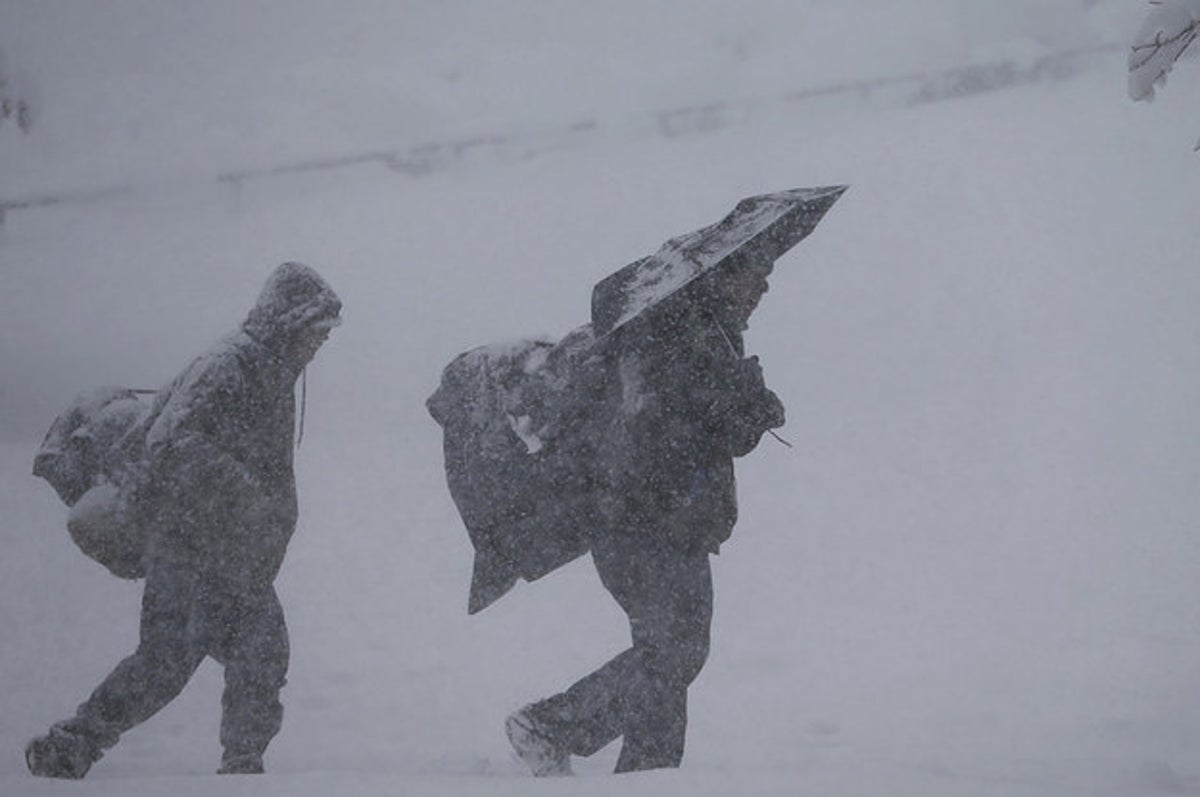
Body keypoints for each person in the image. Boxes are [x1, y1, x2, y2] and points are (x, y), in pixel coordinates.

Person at [25, 262, 342, 779]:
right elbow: (172, 440)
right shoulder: (228, 366)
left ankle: (241, 766)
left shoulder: (271, 371)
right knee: (169, 661)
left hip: (230, 551)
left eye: (326, 333)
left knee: (256, 655)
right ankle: (75, 742)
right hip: (190, 546)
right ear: (288, 321)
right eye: (317, 330)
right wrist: (246, 496)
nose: (321, 342)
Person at [505, 258, 785, 775]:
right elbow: (671, 431)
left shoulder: (699, 333)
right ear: (723, 276)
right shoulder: (682, 335)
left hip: (656, 516)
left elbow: (705, 428)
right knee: (672, 651)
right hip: (645, 516)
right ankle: (559, 728)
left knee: (673, 651)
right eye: (755, 278)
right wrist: (748, 404)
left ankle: (628, 764)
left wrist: (746, 402)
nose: (763, 290)